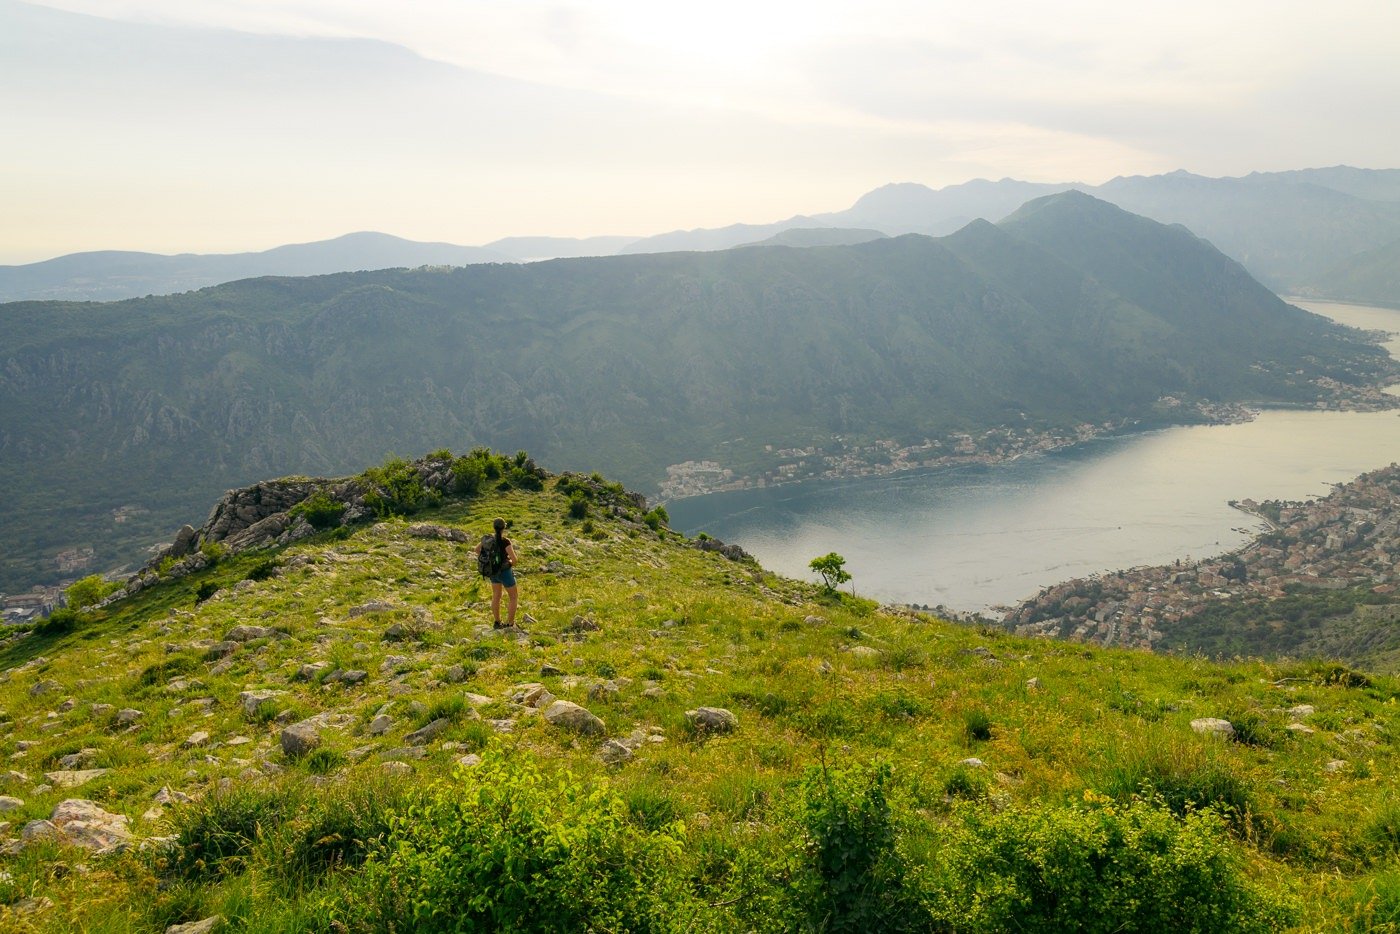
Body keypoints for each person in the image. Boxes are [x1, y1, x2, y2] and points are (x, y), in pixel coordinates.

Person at [477, 517, 520, 629]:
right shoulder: (505, 541)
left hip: (493, 572)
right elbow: (514, 560)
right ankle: (510, 623)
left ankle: (497, 622)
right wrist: (509, 562)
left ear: (494, 527)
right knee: (513, 596)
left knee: (496, 596)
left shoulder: (488, 540)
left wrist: (488, 559)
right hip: (505, 572)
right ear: (504, 527)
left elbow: (476, 550)